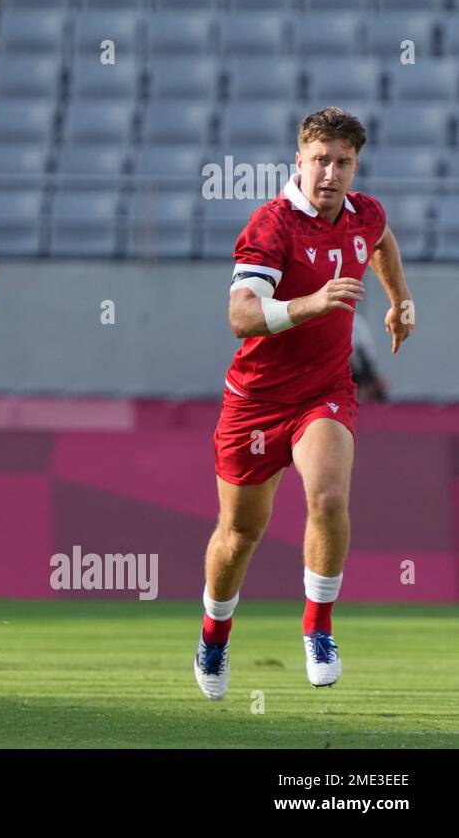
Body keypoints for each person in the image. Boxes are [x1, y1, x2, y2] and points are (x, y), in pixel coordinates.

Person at [196, 107, 414, 700]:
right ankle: (215, 633)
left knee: (329, 495)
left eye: (343, 163)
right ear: (300, 160)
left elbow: (382, 240)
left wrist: (399, 300)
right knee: (239, 534)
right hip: (256, 401)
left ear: (355, 166)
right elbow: (240, 317)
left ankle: (318, 627)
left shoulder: (364, 213)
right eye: (321, 160)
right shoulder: (272, 225)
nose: (331, 173)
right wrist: (311, 304)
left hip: (324, 391)